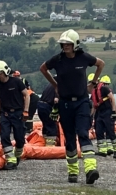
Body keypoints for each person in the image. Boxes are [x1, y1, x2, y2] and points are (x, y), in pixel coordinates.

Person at [40, 29, 104, 184]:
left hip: (82, 102)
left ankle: (90, 170)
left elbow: (100, 64)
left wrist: (93, 83)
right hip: (65, 103)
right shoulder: (58, 60)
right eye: (63, 44)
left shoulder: (83, 58)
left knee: (83, 132)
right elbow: (43, 68)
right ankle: (73, 172)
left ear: (75, 44)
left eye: (68, 43)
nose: (65, 46)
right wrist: (55, 85)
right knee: (69, 138)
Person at [0, 60, 26, 170]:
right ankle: (10, 159)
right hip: (5, 114)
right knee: (4, 136)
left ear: (5, 72)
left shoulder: (16, 82)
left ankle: (17, 155)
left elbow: (27, 95)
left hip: (18, 113)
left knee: (20, 138)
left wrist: (26, 111)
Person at [91, 74, 116, 159]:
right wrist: (91, 116)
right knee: (98, 131)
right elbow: (93, 106)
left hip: (108, 112)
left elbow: (113, 99)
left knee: (110, 131)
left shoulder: (104, 89)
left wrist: (114, 113)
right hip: (100, 113)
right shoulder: (94, 92)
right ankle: (102, 151)